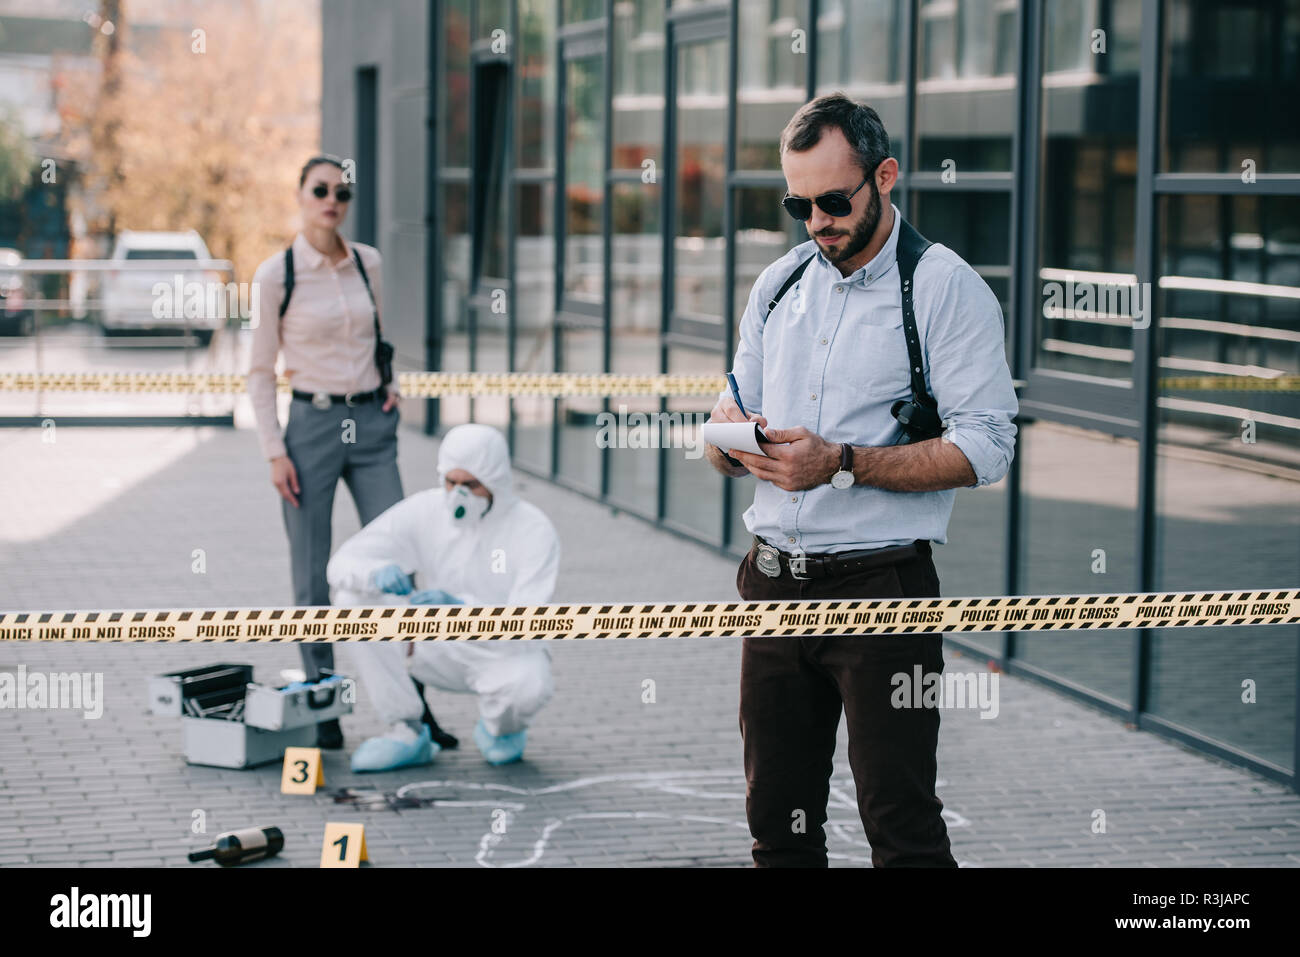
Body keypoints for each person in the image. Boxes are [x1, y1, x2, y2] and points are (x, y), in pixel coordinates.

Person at [704, 94, 1018, 867]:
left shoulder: (943, 287)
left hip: (884, 590)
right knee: (778, 825)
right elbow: (731, 408)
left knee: (900, 824)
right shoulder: (778, 286)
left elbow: (988, 447)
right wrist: (728, 442)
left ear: (885, 176)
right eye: (798, 204)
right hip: (772, 588)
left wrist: (841, 461)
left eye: (835, 201)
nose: (817, 222)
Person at [248, 154, 453, 751]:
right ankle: (323, 705)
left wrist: (389, 391)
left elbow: (378, 336)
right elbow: (259, 373)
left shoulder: (368, 262)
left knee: (400, 563)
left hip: (370, 425)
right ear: (301, 195)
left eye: (342, 191)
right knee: (312, 572)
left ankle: (415, 708)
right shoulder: (276, 274)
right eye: (320, 190)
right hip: (308, 426)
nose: (332, 200)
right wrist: (272, 451)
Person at [327, 423, 560, 771]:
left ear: (495, 480)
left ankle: (502, 731)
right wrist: (374, 574)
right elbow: (343, 562)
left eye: (470, 485)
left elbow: (527, 619)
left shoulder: (532, 529)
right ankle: (406, 729)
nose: (457, 495)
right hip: (432, 645)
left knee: (530, 683)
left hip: (500, 650)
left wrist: (463, 609)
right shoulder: (425, 510)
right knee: (351, 600)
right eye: (451, 482)